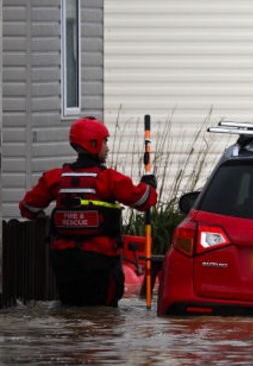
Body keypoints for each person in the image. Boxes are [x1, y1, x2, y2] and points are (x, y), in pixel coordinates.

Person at [19, 117, 158, 307]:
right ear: (93, 144)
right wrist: (149, 185)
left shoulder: (55, 178)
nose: (107, 148)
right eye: (105, 142)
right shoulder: (108, 179)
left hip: (64, 262)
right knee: (102, 319)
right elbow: (143, 200)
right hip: (100, 263)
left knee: (71, 314)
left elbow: (28, 208)